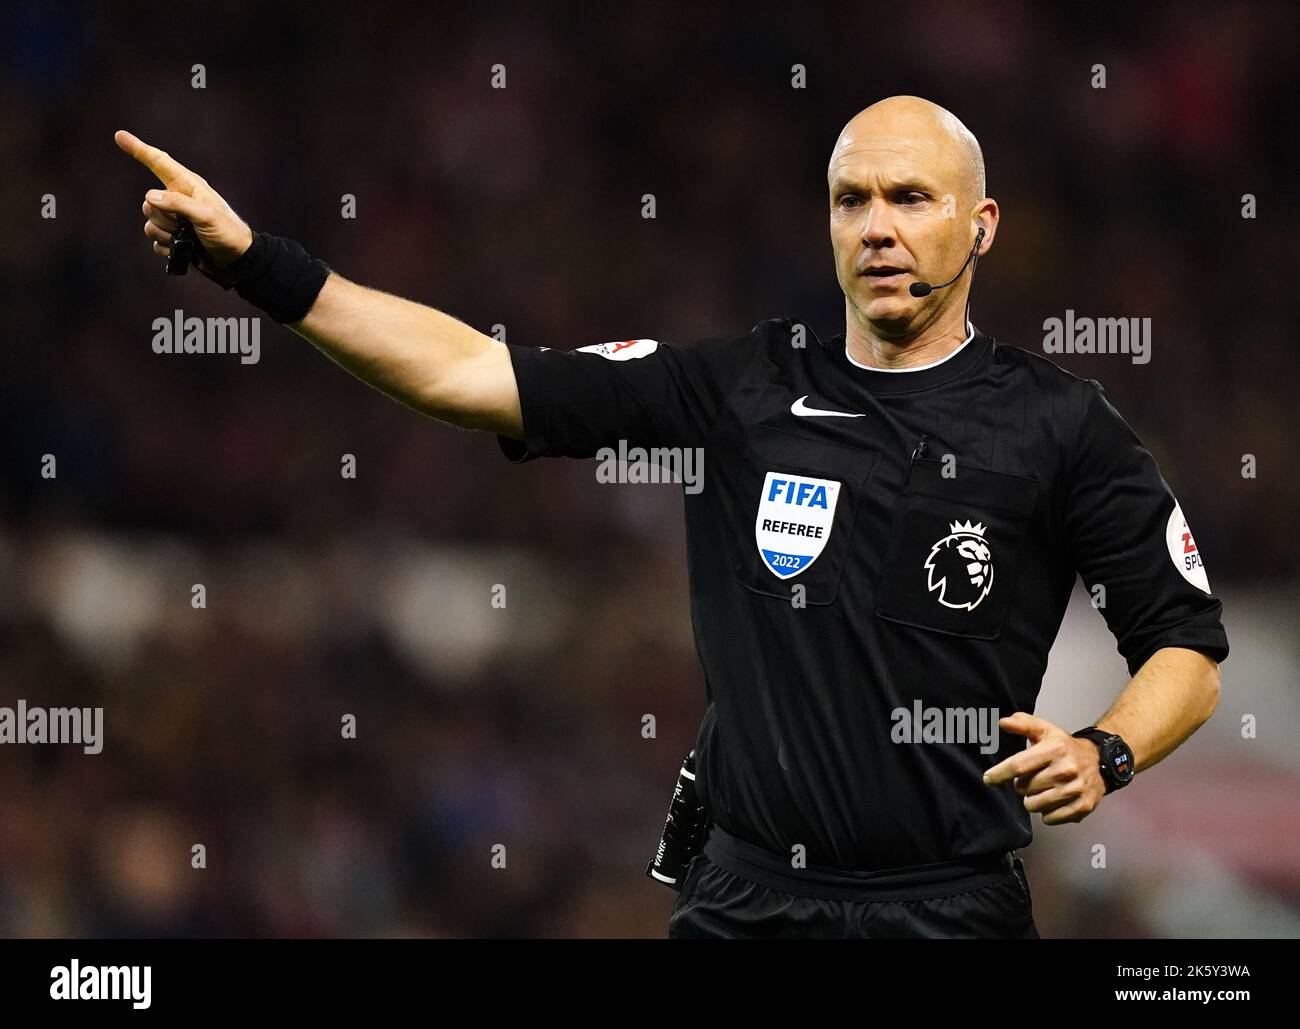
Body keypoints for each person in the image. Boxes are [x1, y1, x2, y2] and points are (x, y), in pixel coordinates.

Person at [115, 95, 1228, 939]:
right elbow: (469, 374)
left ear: (980, 226)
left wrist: (1107, 753)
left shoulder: (1062, 427)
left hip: (947, 910)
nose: (878, 228)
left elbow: (1183, 644)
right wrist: (259, 265)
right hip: (747, 898)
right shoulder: (740, 388)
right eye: (852, 200)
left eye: (911, 198)